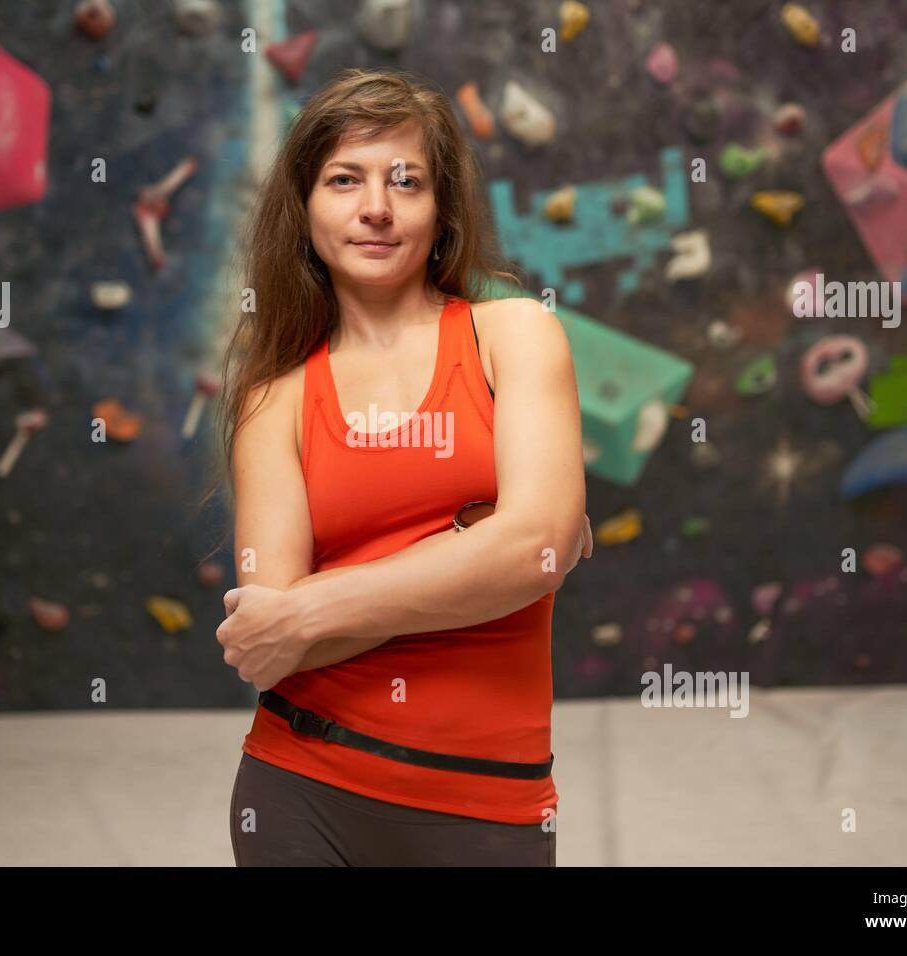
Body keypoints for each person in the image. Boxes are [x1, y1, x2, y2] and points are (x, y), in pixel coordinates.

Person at [213, 68, 592, 866]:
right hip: (297, 790)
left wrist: (312, 609)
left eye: (406, 181)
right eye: (344, 179)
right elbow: (268, 645)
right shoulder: (271, 399)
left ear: (440, 209)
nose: (375, 207)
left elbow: (534, 553)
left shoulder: (514, 335)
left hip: (490, 802)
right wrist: (469, 547)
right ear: (306, 207)